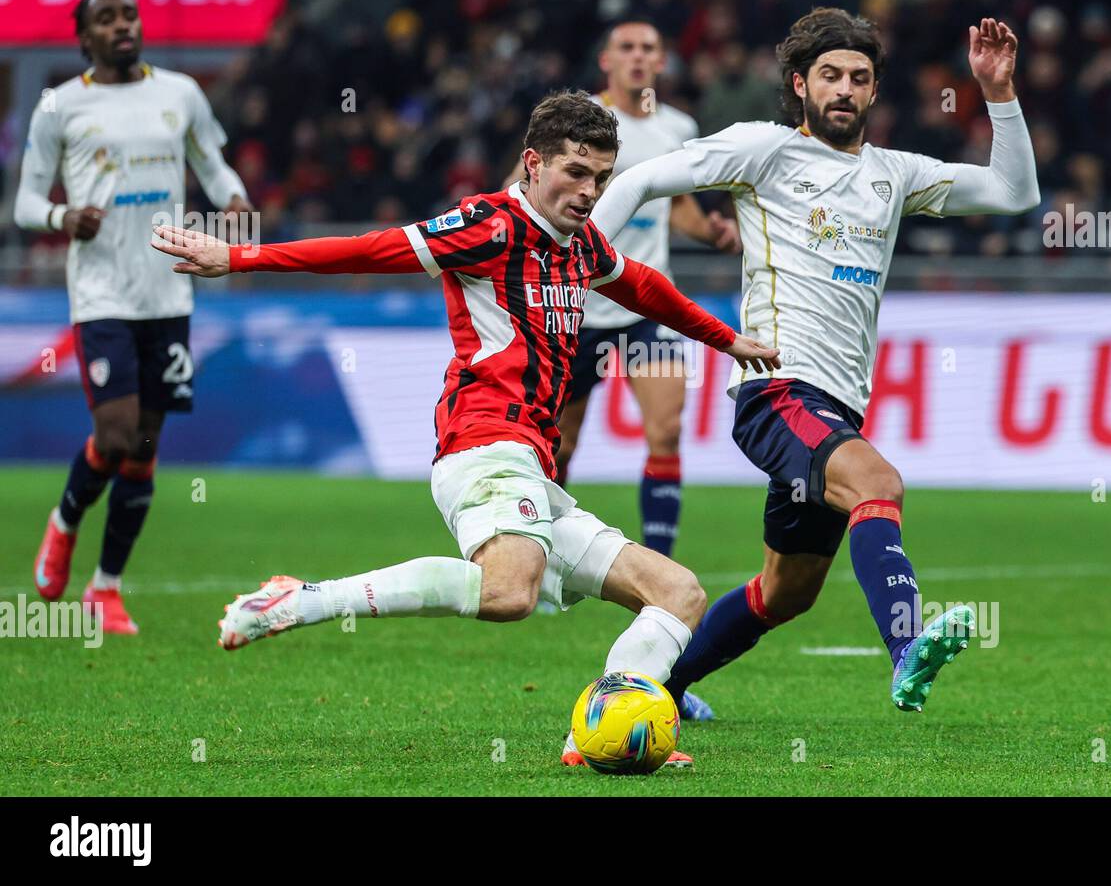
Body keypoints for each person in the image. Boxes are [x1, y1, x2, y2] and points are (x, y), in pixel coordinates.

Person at [151, 91, 779, 766]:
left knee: (676, 593)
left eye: (601, 177)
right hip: (484, 441)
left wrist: (727, 340)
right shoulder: (489, 225)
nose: (590, 190)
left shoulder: (581, 244)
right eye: (575, 172)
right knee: (509, 593)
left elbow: (645, 288)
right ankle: (302, 599)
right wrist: (240, 259)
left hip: (529, 461)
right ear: (533, 165)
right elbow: (371, 249)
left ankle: (592, 738)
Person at [591, 9, 1041, 713]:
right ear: (800, 84)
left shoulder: (897, 174)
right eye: (829, 75)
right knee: (878, 482)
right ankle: (908, 644)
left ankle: (662, 689)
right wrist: (584, 258)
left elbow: (1016, 193)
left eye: (859, 79)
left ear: (873, 93)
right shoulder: (763, 151)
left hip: (836, 405)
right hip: (776, 389)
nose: (844, 89)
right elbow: (640, 179)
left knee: (786, 592)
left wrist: (998, 92)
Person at [17, 0, 251, 633]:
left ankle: (106, 588)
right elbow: (24, 204)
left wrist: (234, 200)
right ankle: (64, 522)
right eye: (106, 19)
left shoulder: (180, 93)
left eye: (128, 14)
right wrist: (64, 215)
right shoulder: (59, 107)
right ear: (84, 38)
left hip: (169, 290)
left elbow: (215, 163)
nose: (122, 25)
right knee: (116, 434)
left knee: (144, 449)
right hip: (102, 296)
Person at [506, 20, 740, 570]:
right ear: (606, 61)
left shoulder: (678, 126)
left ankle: (657, 568)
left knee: (665, 429)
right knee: (560, 442)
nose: (638, 58)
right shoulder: (576, 120)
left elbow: (674, 205)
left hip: (643, 305)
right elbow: (522, 186)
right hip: (574, 309)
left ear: (662, 63)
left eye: (649, 50)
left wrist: (712, 231)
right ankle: (545, 560)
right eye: (627, 48)